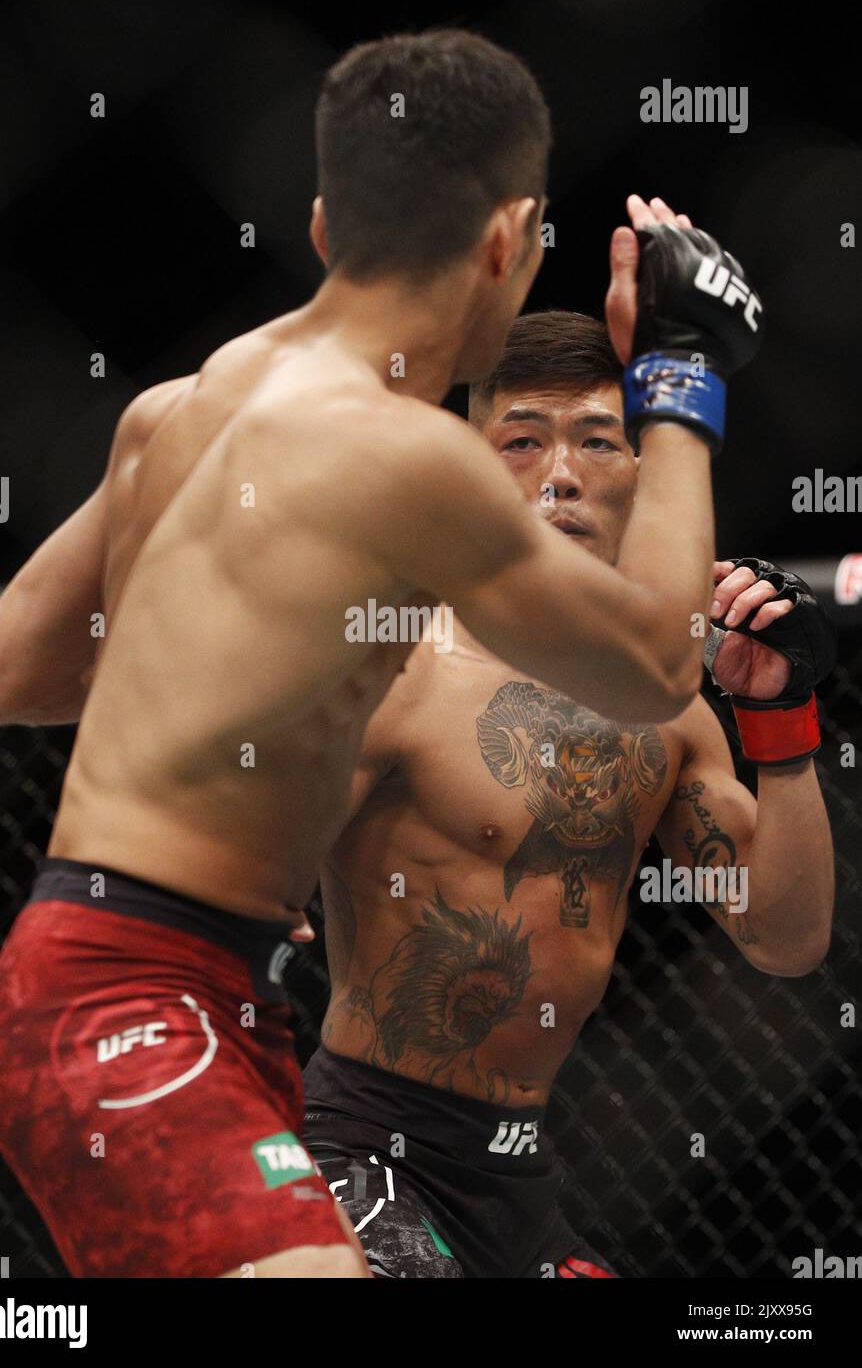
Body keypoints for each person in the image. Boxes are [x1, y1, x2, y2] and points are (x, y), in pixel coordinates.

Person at [0, 28, 760, 1277]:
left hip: (188, 992)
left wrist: (239, 679)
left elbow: (1, 679)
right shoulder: (407, 459)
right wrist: (679, 378)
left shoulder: (180, 408)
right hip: (129, 996)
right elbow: (658, 662)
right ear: (510, 240)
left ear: (327, 224)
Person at [302, 309, 836, 1278]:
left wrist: (784, 722)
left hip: (517, 1178)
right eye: (520, 438)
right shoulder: (395, 664)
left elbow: (785, 937)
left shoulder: (669, 712)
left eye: (595, 438)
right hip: (364, 1148)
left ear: (642, 467)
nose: (559, 471)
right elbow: (231, 846)